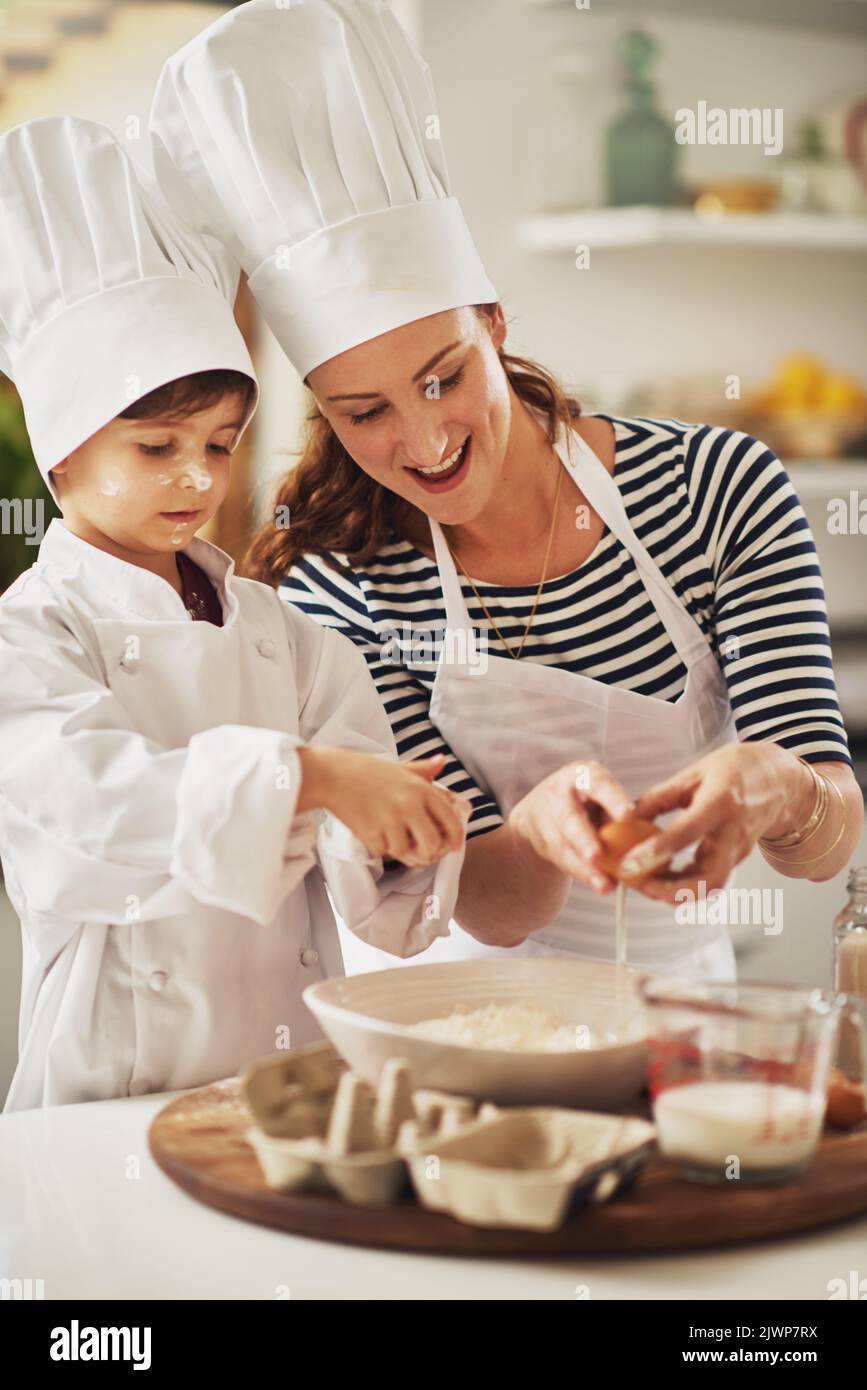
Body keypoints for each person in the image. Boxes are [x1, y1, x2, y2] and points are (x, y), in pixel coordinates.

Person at [150, 0, 863, 980]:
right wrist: (534, 833)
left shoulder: (718, 488)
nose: (425, 438)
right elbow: (489, 903)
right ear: (322, 408)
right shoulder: (342, 579)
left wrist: (774, 786)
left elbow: (822, 843)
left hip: (676, 1025)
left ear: (492, 320)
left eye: (444, 375)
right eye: (366, 412)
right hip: (450, 1031)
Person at [0, 116, 466, 1111]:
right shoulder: (27, 634)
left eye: (221, 444)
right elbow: (89, 815)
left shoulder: (281, 629)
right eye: (158, 446)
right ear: (64, 454)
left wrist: (392, 832)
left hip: (283, 1079)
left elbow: (360, 865)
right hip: (109, 1092)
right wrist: (317, 781)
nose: (199, 478)